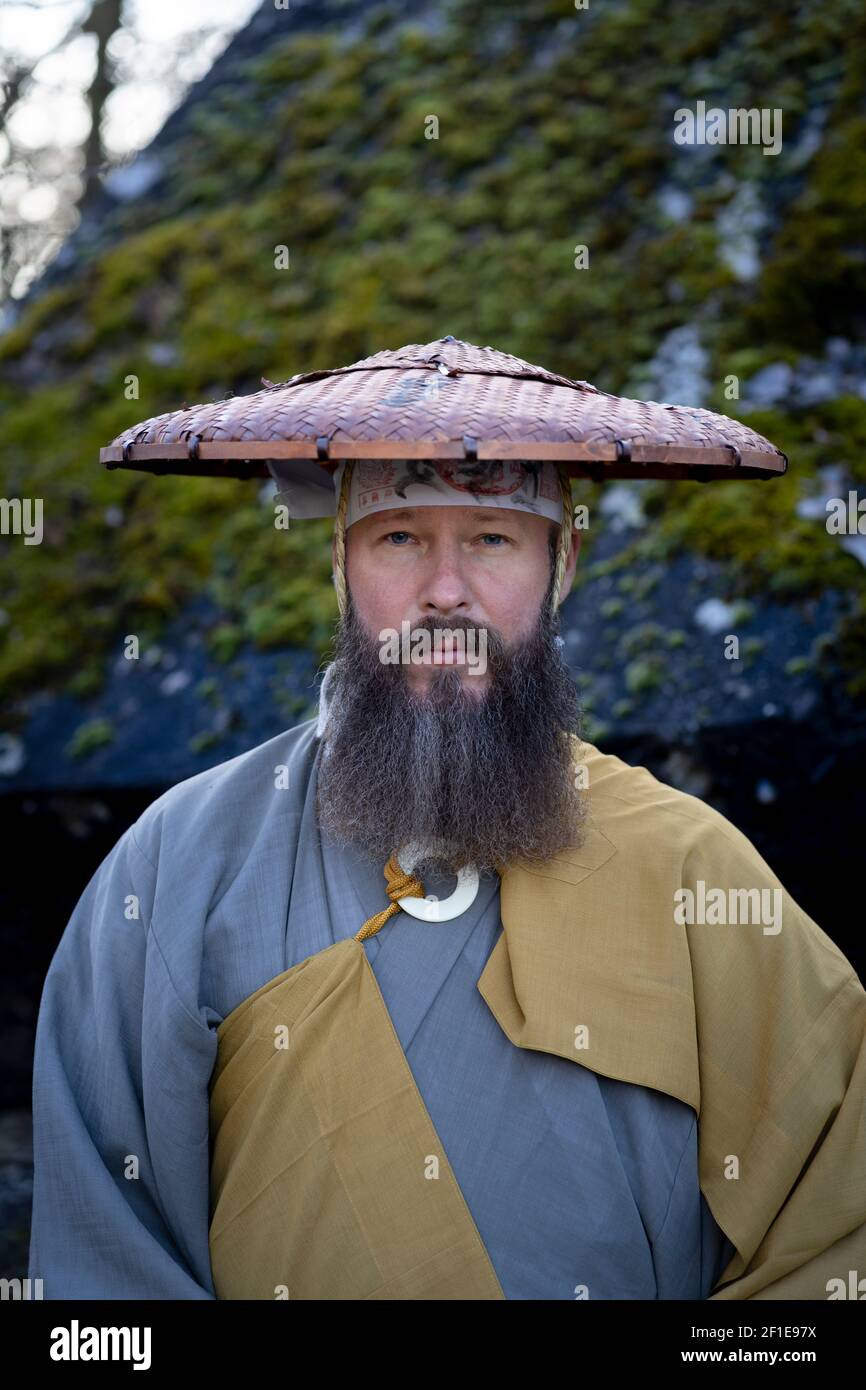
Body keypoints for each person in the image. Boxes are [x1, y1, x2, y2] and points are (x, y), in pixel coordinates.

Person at [29, 459, 866, 1300]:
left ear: (562, 564)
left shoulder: (691, 866)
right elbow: (103, 1266)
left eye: (492, 539)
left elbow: (836, 1222)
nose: (445, 591)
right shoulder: (182, 858)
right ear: (338, 564)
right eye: (399, 537)